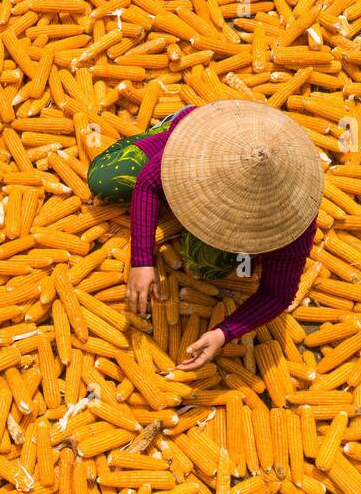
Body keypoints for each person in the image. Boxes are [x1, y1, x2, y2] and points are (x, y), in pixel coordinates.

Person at [86, 99, 322, 370]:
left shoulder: (292, 223)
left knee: (204, 266)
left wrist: (223, 333)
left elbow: (277, 295)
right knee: (104, 180)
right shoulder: (197, 151)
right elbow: (148, 185)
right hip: (195, 136)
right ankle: (166, 129)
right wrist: (142, 260)